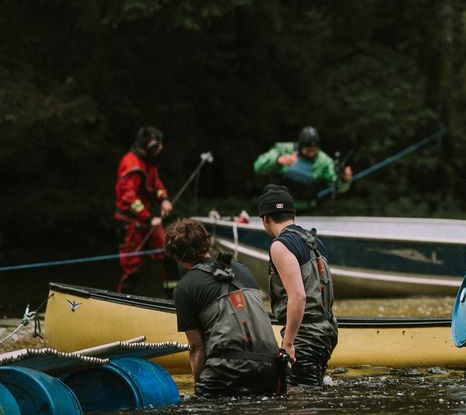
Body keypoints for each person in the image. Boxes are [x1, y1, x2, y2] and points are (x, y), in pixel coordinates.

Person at [166, 218, 285, 397]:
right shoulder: (240, 268)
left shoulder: (184, 288)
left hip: (227, 373)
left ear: (177, 256)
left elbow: (197, 348)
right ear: (207, 242)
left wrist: (201, 393)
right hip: (271, 369)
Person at [257, 184, 339, 386]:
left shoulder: (280, 245)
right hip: (327, 331)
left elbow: (298, 296)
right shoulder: (314, 242)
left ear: (265, 219)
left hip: (306, 336)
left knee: (298, 407)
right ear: (292, 214)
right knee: (312, 398)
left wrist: (288, 343)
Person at [113, 126, 177, 294]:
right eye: (158, 145)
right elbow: (130, 199)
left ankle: (174, 299)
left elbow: (156, 185)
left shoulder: (149, 162)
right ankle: (122, 304)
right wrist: (149, 218)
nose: (161, 148)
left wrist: (164, 200)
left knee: (168, 254)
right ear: (148, 146)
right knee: (134, 267)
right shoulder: (132, 165)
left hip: (147, 220)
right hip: (131, 224)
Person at [253, 126, 353, 211]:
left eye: (314, 150)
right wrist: (277, 160)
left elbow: (337, 186)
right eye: (308, 150)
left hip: (307, 210)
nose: (312, 153)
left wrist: (344, 180)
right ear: (301, 146)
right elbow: (258, 166)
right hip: (279, 207)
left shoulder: (324, 161)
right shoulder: (284, 149)